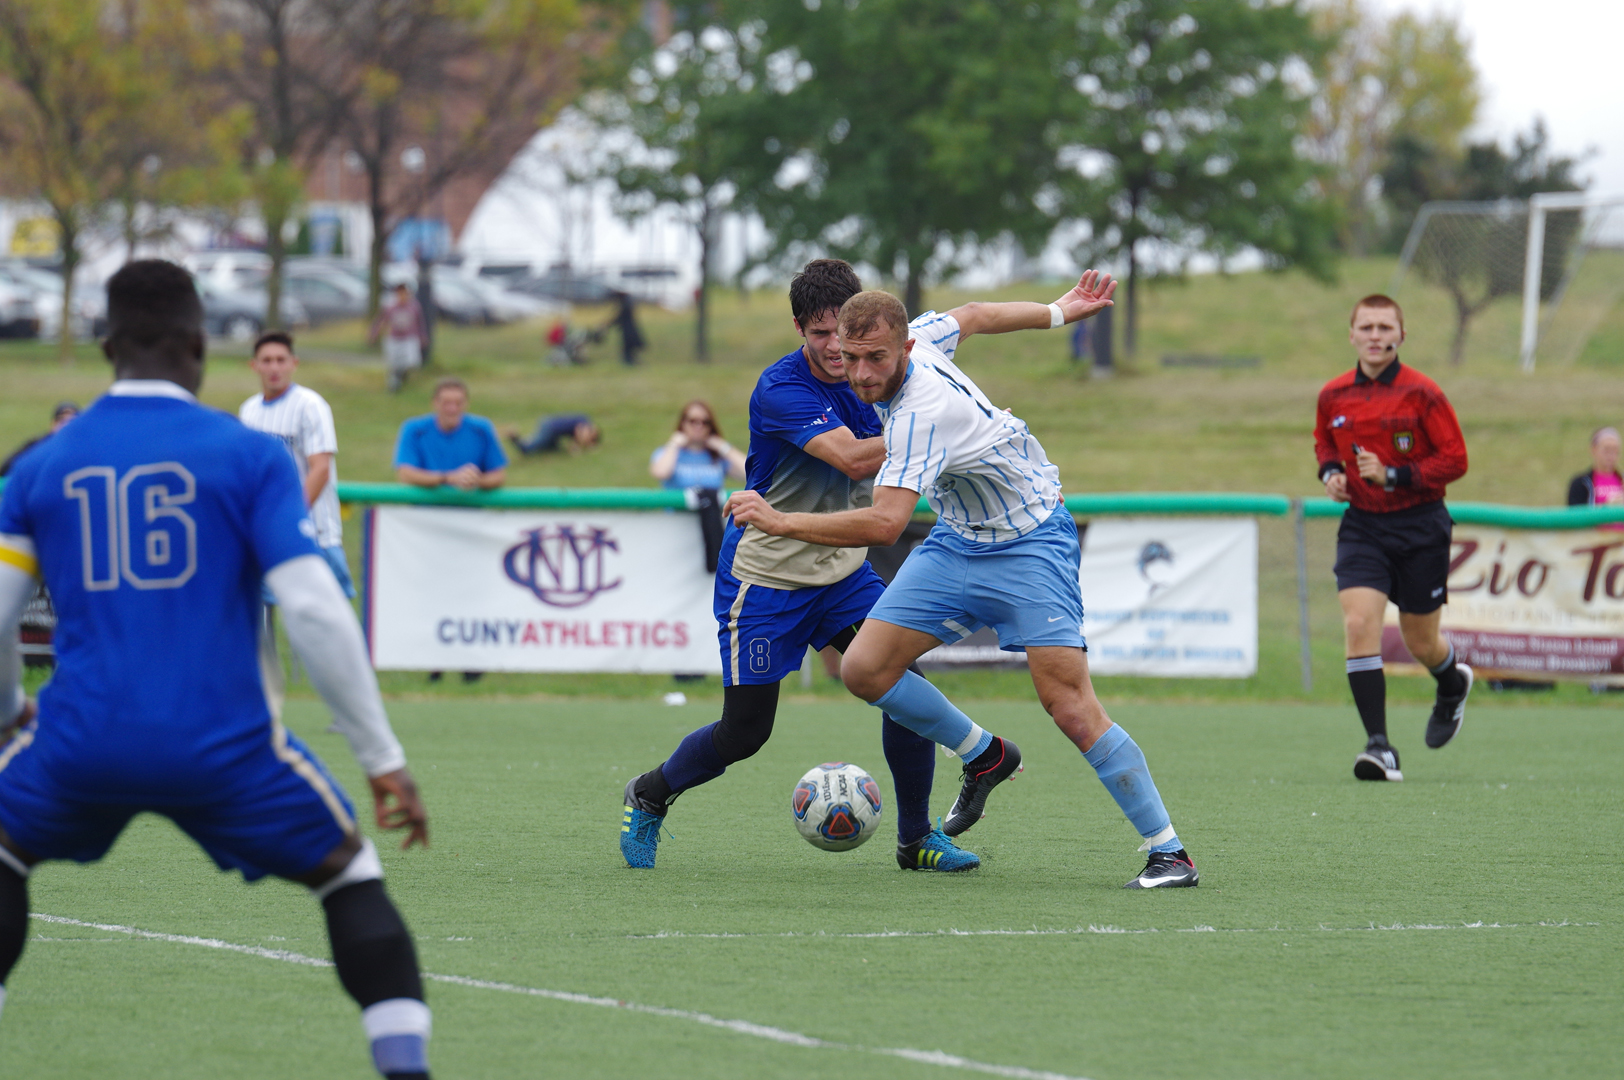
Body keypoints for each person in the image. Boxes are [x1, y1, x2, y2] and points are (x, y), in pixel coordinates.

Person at [0, 259, 434, 1078]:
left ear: (106, 346)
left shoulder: (41, 466)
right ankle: (406, 1069)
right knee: (350, 877)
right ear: (201, 343)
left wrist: (5, 720)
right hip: (226, 750)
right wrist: (383, 760)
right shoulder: (249, 457)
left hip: (77, 745)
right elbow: (311, 609)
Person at [727, 273, 1200, 890]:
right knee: (864, 669)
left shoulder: (919, 415)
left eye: (877, 359)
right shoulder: (921, 334)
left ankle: (1169, 852)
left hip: (1031, 541)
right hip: (959, 539)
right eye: (851, 357)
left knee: (1069, 705)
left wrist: (779, 519)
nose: (863, 373)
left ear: (901, 350)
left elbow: (886, 522)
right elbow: (975, 313)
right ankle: (985, 753)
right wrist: (1057, 311)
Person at [620, 259, 974, 874]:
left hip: (842, 571)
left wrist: (1053, 314)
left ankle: (915, 838)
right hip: (767, 577)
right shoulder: (781, 388)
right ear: (798, 330)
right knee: (746, 732)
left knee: (900, 685)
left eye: (846, 334)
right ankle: (650, 793)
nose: (838, 350)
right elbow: (853, 461)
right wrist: (946, 426)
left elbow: (968, 321)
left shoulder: (883, 372)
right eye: (819, 335)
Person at [1315, 294, 1472, 783]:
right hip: (1363, 524)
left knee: (1420, 641)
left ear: (1402, 336)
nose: (1376, 335)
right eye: (1367, 327)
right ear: (1352, 335)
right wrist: (1329, 475)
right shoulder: (1334, 394)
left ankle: (1450, 682)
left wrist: (1395, 476)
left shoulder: (1423, 393)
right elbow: (1325, 441)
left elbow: (1456, 460)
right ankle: (1379, 748)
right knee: (1360, 622)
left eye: (1386, 327)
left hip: (1421, 525)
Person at [239, 331, 353, 597]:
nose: (274, 368)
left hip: (315, 532)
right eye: (266, 361)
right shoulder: (249, 410)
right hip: (266, 537)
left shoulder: (310, 405)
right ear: (254, 366)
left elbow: (321, 468)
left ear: (294, 363)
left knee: (323, 625)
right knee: (262, 621)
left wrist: (289, 516)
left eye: (281, 360)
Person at [650, 401, 748, 574]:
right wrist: (674, 444)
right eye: (692, 421)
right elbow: (660, 472)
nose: (698, 426)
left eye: (705, 422)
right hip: (675, 531)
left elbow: (751, 473)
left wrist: (723, 447)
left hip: (711, 533)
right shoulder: (669, 453)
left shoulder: (715, 457)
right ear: (683, 423)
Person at [394, 378, 507, 492]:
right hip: (426, 507)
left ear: (467, 403)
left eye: (458, 403)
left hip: (469, 507)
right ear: (435, 403)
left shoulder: (481, 429)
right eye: (446, 403)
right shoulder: (415, 430)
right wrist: (448, 478)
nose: (453, 409)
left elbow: (498, 476)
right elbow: (405, 475)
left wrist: (473, 480)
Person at [370, 283, 428, 393]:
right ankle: (394, 386)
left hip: (409, 338)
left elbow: (420, 322)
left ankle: (402, 374)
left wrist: (423, 336)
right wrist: (374, 334)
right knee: (393, 364)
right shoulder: (390, 306)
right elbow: (381, 321)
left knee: (412, 361)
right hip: (394, 339)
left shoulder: (414, 307)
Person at [0, 402, 77, 477]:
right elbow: (7, 468)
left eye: (71, 421)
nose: (66, 424)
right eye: (61, 419)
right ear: (52, 423)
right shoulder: (37, 446)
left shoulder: (84, 449)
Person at [1567, 426, 1622, 528]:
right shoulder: (1581, 483)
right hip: (1594, 540)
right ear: (1594, 449)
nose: (1611, 455)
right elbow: (1574, 517)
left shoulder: (1621, 481)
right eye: (1606, 450)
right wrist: (1606, 508)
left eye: (1615, 450)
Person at [508, 413, 600, 456]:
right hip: (550, 429)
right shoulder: (585, 421)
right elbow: (581, 434)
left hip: (552, 431)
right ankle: (514, 435)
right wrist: (585, 447)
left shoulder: (584, 420)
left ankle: (526, 439)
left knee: (553, 450)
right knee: (527, 450)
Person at [604, 290, 645, 367]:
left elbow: (619, 318)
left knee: (628, 348)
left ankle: (629, 362)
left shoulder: (625, 304)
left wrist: (607, 324)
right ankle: (630, 362)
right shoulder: (627, 302)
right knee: (628, 349)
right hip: (628, 329)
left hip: (628, 330)